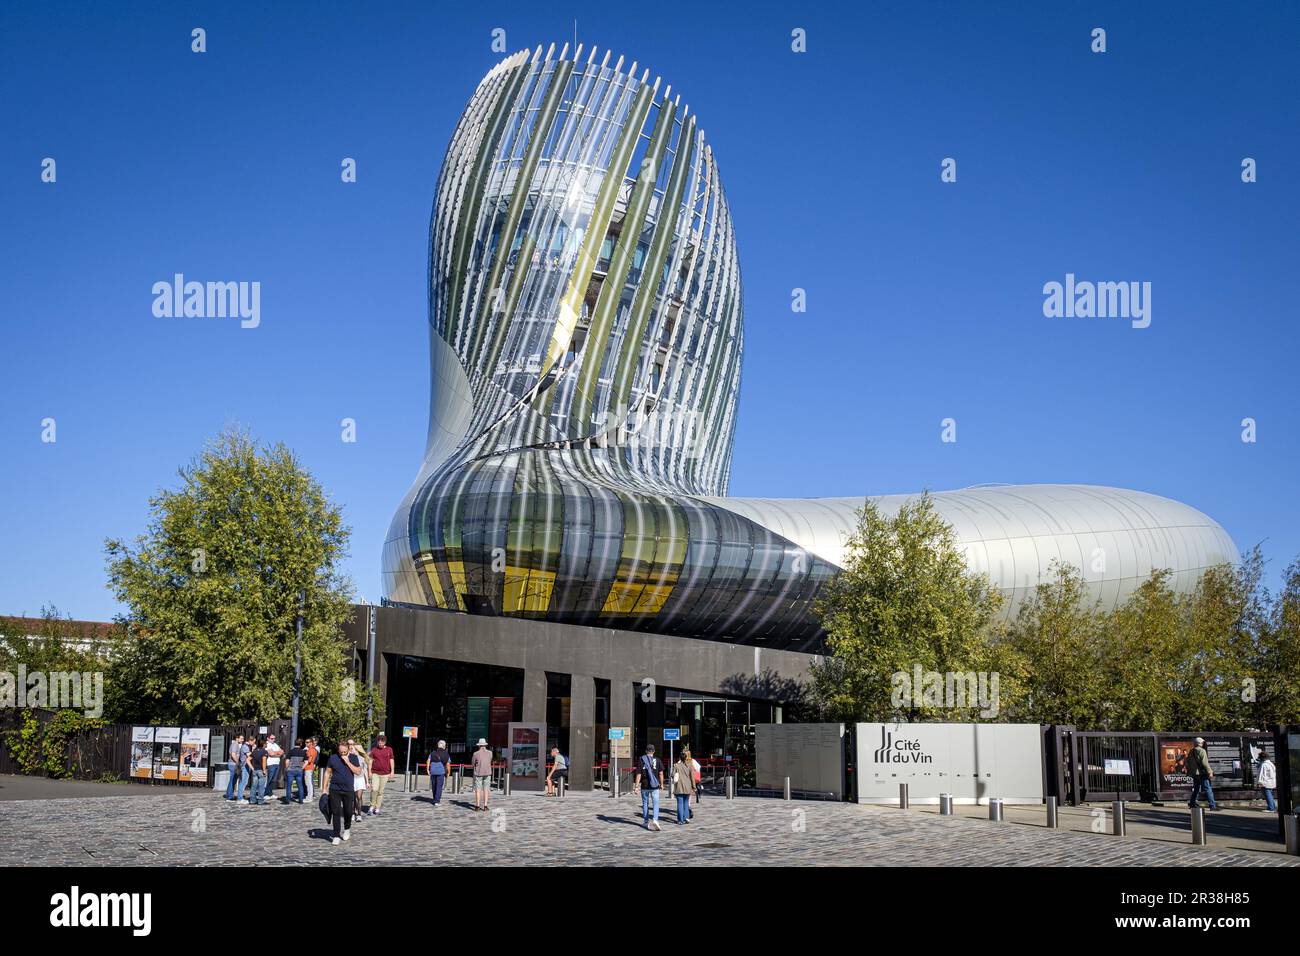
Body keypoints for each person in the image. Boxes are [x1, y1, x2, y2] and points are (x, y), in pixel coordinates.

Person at [322, 740, 364, 845]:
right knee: (336, 812)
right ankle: (336, 835)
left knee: (348, 811)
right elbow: (327, 772)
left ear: (348, 749)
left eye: (345, 752)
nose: (343, 754)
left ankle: (347, 828)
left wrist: (347, 762)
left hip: (349, 789)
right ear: (338, 750)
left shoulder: (353, 758)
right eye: (341, 752)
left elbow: (358, 771)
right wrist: (324, 788)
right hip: (335, 788)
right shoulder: (333, 758)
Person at [633, 743, 665, 831]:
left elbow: (638, 774)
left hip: (644, 785)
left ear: (646, 751)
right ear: (654, 751)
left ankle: (646, 821)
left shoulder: (641, 759)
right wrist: (662, 784)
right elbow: (661, 773)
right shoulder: (657, 760)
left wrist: (636, 786)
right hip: (655, 785)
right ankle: (655, 819)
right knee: (656, 803)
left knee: (645, 803)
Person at [1186, 737, 1218, 811]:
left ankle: (1192, 804)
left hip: (1195, 774)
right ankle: (1212, 806)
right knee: (1208, 789)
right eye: (1203, 742)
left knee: (1196, 789)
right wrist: (1210, 772)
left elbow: (1188, 763)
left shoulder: (1191, 751)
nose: (1204, 743)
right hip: (1202, 774)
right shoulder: (1202, 751)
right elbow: (1205, 763)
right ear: (1200, 743)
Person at [368, 734, 395, 815]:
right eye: (379, 741)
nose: (380, 743)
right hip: (375, 773)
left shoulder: (389, 749)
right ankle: (372, 805)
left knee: (380, 791)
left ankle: (377, 807)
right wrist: (369, 771)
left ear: (385, 742)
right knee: (374, 789)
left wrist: (392, 771)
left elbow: (391, 760)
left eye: (382, 742)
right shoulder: (374, 750)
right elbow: (370, 761)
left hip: (385, 773)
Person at [347, 738, 370, 818]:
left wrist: (367, 782)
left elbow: (364, 770)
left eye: (352, 744)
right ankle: (353, 813)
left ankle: (359, 814)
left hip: (360, 779)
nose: (351, 746)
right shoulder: (347, 756)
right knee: (352, 797)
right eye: (349, 744)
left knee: (359, 797)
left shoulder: (361, 757)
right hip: (351, 778)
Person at [671, 748, 696, 824]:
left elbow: (672, 775)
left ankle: (680, 820)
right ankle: (686, 817)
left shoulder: (676, 765)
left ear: (679, 758)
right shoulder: (690, 766)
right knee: (686, 803)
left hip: (679, 787)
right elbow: (692, 777)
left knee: (680, 803)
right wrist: (694, 787)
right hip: (687, 787)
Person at [471, 738, 493, 812]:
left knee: (478, 789)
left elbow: (472, 763)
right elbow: (490, 760)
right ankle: (485, 806)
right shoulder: (490, 753)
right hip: (487, 773)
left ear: (479, 745)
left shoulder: (476, 753)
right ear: (485, 745)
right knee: (486, 789)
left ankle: (477, 806)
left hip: (478, 773)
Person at [284, 738, 308, 804]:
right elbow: (306, 762)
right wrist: (302, 768)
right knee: (300, 785)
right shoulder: (303, 752)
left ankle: (287, 800)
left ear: (295, 743)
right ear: (301, 744)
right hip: (299, 770)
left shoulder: (291, 751)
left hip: (291, 770)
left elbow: (287, 761)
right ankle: (301, 800)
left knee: (289, 786)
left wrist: (286, 768)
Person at [428, 739, 450, 807]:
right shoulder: (446, 754)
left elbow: (428, 760)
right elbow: (448, 764)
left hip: (433, 771)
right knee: (439, 786)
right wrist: (448, 772)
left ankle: (435, 798)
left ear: (438, 746)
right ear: (444, 746)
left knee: (434, 786)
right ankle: (437, 801)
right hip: (441, 771)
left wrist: (427, 769)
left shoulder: (433, 753)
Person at [250, 736, 269, 806]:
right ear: (263, 744)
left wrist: (252, 768)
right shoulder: (264, 751)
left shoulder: (254, 750)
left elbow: (248, 759)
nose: (266, 744)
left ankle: (252, 800)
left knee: (254, 786)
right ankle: (260, 800)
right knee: (261, 786)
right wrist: (264, 770)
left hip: (255, 770)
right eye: (266, 743)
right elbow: (264, 761)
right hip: (261, 770)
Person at [225, 734, 245, 800]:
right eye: (241, 738)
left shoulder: (236, 744)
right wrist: (238, 763)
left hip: (233, 764)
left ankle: (228, 794)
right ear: (237, 738)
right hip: (233, 764)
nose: (243, 740)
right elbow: (233, 755)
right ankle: (230, 797)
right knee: (233, 780)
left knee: (232, 780)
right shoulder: (235, 744)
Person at [304, 737, 319, 801]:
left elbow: (309, 760)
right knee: (308, 782)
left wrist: (303, 765)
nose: (306, 743)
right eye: (305, 742)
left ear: (311, 743)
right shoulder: (312, 749)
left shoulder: (311, 750)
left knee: (308, 783)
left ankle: (310, 797)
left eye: (307, 742)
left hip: (309, 767)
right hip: (309, 767)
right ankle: (309, 796)